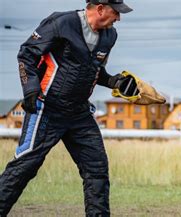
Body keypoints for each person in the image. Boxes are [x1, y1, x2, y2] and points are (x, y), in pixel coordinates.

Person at [0, 0, 132, 216]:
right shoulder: (61, 23)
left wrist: (114, 82)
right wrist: (30, 89)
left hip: (79, 113)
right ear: (100, 8)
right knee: (24, 167)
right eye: (116, 12)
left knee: (97, 169)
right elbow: (27, 54)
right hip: (47, 109)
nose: (119, 18)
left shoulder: (110, 36)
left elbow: (94, 70)